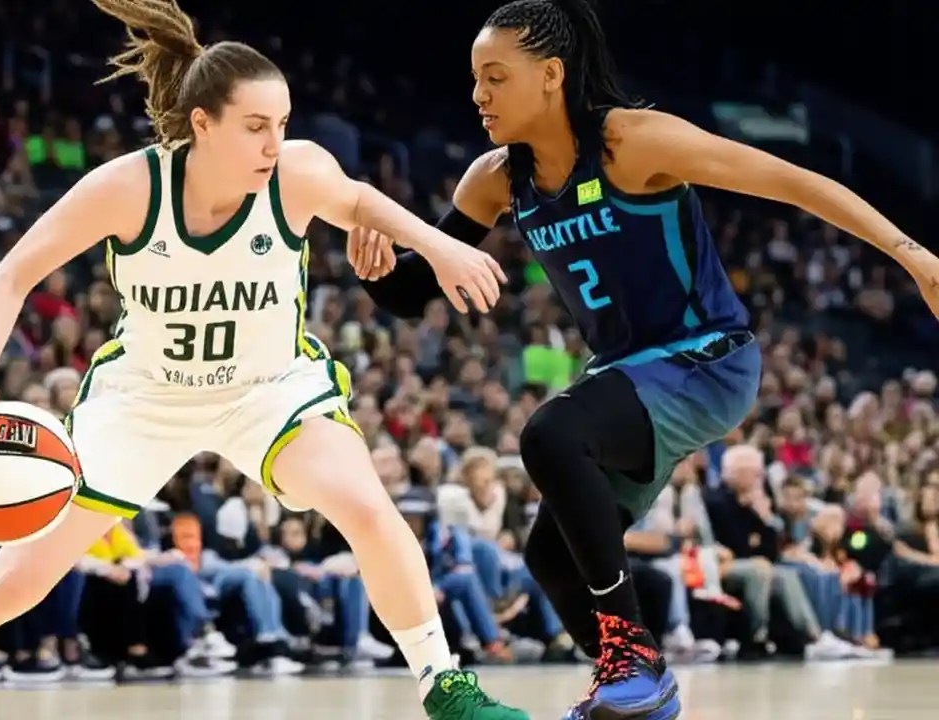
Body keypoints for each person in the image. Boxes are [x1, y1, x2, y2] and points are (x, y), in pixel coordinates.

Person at [0, 1, 524, 719]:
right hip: (143, 400)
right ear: (202, 123)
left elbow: (360, 200)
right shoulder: (128, 187)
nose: (274, 143)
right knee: (13, 582)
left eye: (281, 125)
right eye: (255, 127)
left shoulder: (298, 172)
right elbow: (12, 275)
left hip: (267, 389)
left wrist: (438, 243)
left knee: (369, 508)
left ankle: (444, 686)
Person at [348, 1, 939, 717]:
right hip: (630, 374)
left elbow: (794, 181)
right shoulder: (496, 180)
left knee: (550, 433)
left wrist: (911, 255)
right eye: (476, 79)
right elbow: (417, 291)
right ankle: (637, 696)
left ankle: (637, 659)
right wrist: (378, 270)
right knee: (550, 558)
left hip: (708, 357)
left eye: (496, 77)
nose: (478, 95)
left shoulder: (634, 142)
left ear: (551, 75)